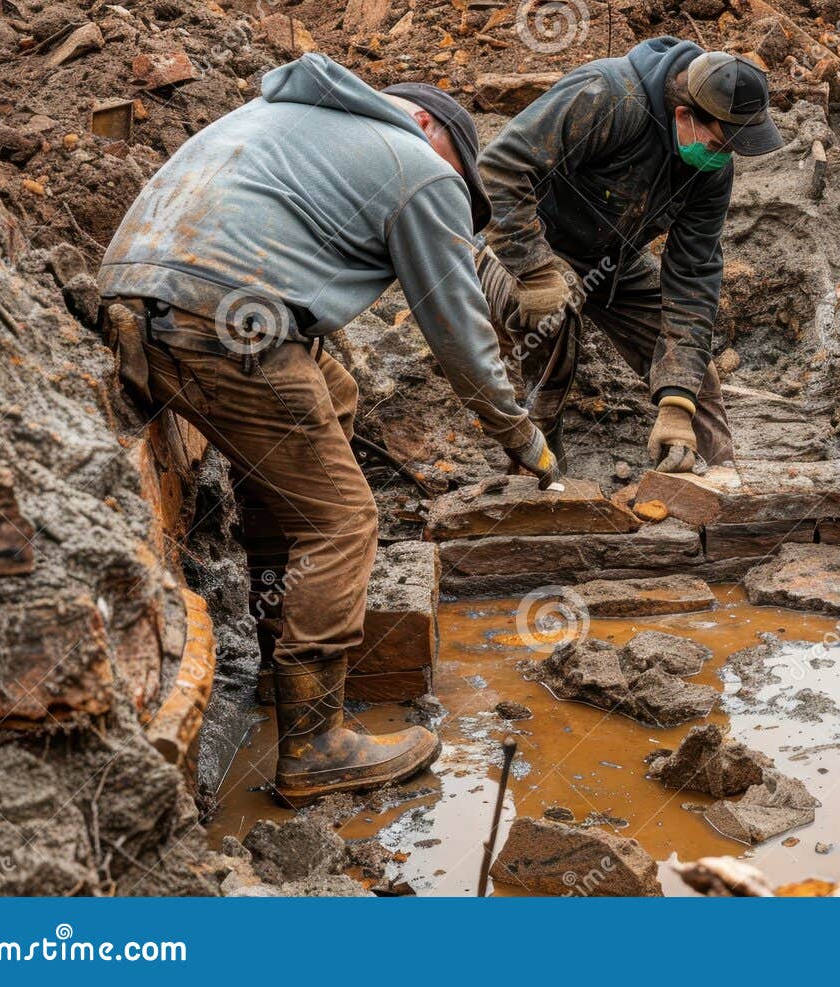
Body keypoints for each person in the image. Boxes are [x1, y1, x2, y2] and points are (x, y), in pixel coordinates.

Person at [97, 53, 556, 805]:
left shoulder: (284, 119)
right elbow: (459, 336)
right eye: (458, 180)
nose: (451, 201)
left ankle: (285, 638)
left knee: (332, 389)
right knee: (343, 522)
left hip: (139, 303)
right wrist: (518, 434)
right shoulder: (417, 161)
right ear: (425, 124)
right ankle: (313, 741)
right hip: (217, 320)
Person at [476, 37, 784, 473]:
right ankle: (536, 468)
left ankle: (721, 493)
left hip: (608, 265)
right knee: (553, 311)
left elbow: (694, 274)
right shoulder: (608, 96)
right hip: (516, 247)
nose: (724, 158)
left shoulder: (710, 171)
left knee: (697, 381)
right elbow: (498, 173)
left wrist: (677, 402)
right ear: (684, 115)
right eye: (719, 145)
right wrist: (534, 269)